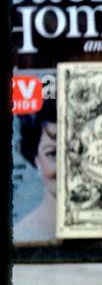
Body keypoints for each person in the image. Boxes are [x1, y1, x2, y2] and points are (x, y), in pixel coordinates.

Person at [14, 101, 57, 243]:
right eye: (53, 154)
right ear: (36, 159)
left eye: (76, 150)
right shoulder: (21, 237)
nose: (65, 168)